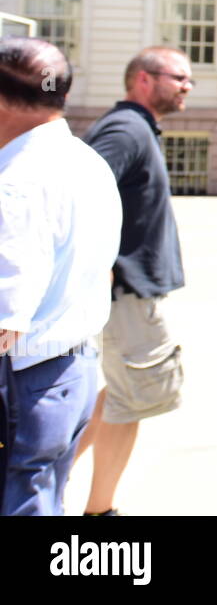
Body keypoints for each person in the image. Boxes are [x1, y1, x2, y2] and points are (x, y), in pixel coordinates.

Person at [0, 38, 120, 515]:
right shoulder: (88, 161)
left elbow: (7, 316)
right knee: (43, 497)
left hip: (23, 380)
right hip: (72, 371)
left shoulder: (17, 182)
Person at [75, 46, 190, 516]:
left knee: (120, 395)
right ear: (143, 79)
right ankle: (99, 511)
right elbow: (81, 192)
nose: (187, 85)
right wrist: (99, 265)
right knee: (132, 400)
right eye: (178, 77)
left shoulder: (136, 127)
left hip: (129, 291)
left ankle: (41, 475)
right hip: (125, 291)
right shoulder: (126, 129)